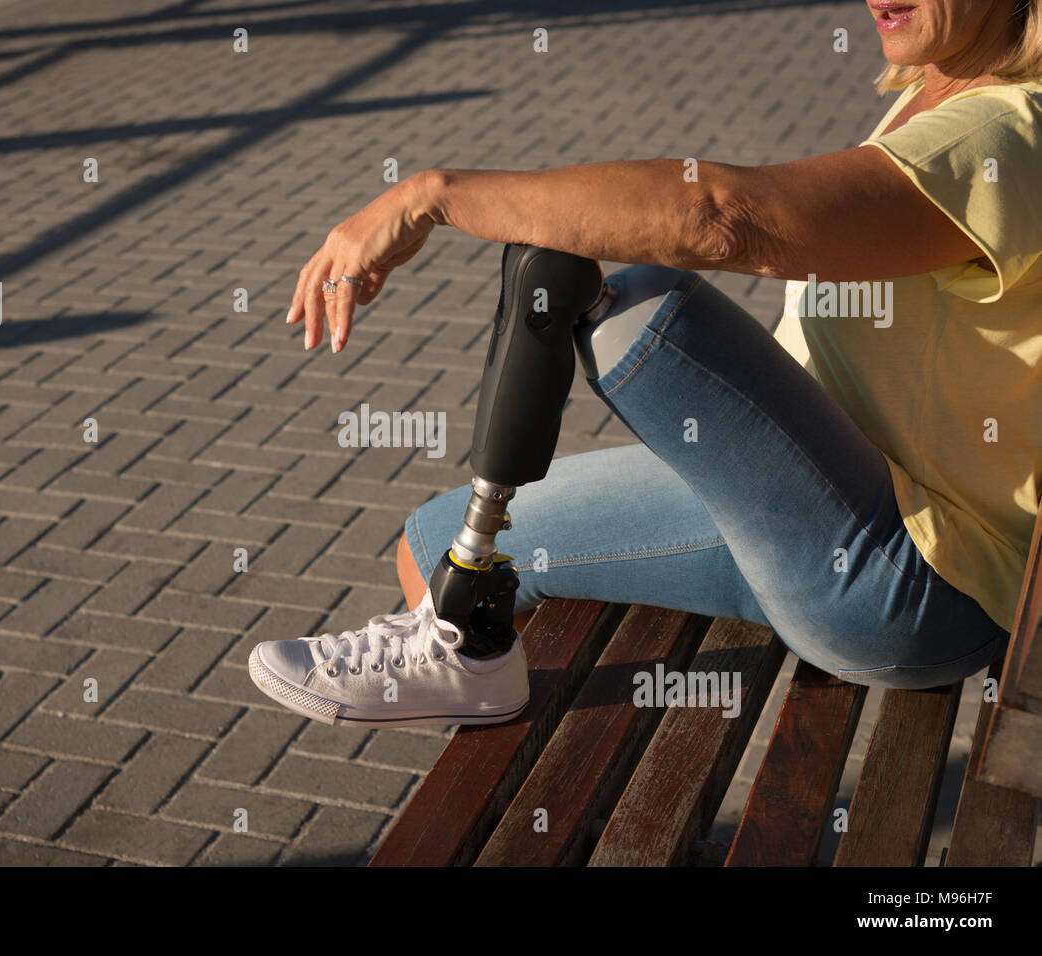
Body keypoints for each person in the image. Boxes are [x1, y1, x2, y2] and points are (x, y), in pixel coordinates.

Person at [249, 0, 1042, 728]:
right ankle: (476, 667)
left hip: (921, 572)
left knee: (637, 306)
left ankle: (502, 712)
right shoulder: (942, 84)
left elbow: (720, 219)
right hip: (818, 496)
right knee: (430, 546)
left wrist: (433, 194)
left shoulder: (1005, 133)